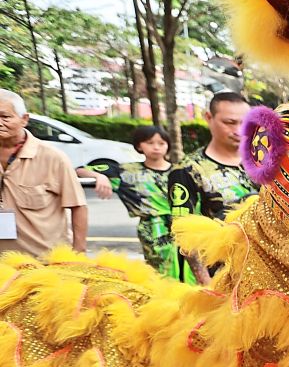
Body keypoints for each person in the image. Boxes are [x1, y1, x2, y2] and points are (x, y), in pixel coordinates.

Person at [170, 92, 258, 282]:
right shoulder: (188, 171)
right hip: (220, 275)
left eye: (245, 123)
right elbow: (184, 234)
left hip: (263, 272)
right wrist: (207, 285)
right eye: (230, 122)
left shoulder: (261, 161)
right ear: (209, 118)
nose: (239, 130)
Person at [0, 88, 88, 256]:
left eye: (5, 117)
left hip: (44, 263)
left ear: (24, 119)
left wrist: (79, 253)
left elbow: (78, 206)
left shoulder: (53, 157)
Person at [96, 126, 178, 279]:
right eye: (150, 143)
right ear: (139, 146)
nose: (156, 147)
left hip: (181, 224)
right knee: (159, 268)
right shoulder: (127, 172)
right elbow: (80, 169)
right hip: (152, 227)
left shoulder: (179, 171)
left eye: (161, 143)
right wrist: (100, 177)